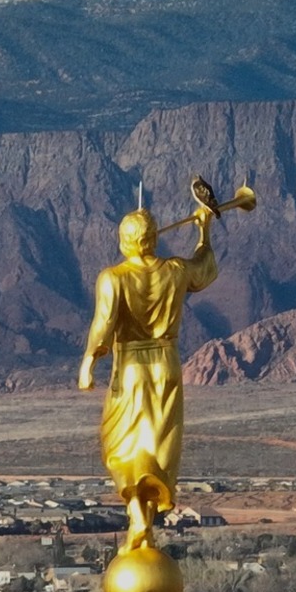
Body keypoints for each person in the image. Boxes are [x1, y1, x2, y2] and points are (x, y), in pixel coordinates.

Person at [78, 177, 221, 553]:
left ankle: (137, 511)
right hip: (167, 365)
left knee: (120, 445)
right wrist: (204, 233)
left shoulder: (114, 278)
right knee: (158, 445)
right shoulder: (174, 270)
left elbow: (103, 325)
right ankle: (144, 515)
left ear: (125, 240)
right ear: (154, 238)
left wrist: (88, 363)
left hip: (131, 367)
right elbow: (204, 270)